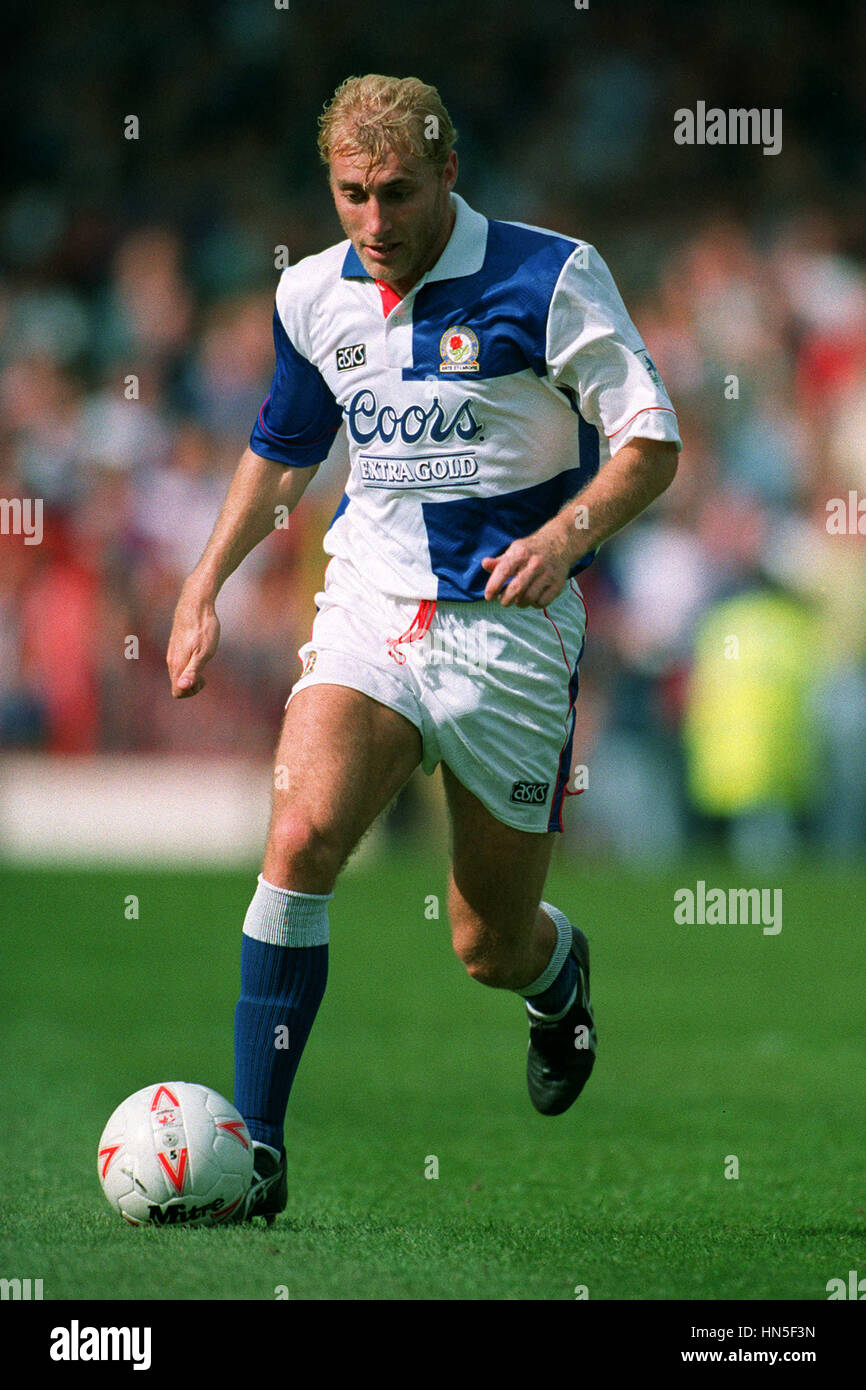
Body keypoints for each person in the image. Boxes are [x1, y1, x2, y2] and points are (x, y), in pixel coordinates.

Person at [166, 74, 681, 1223]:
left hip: (508, 632)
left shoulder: (549, 276)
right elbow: (285, 447)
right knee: (298, 835)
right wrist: (204, 583)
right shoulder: (309, 293)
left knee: (485, 943)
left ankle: (557, 978)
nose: (373, 219)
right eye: (349, 193)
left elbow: (651, 439)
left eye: (395, 191)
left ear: (450, 174)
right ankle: (258, 1156)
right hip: (370, 605)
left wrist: (565, 531)